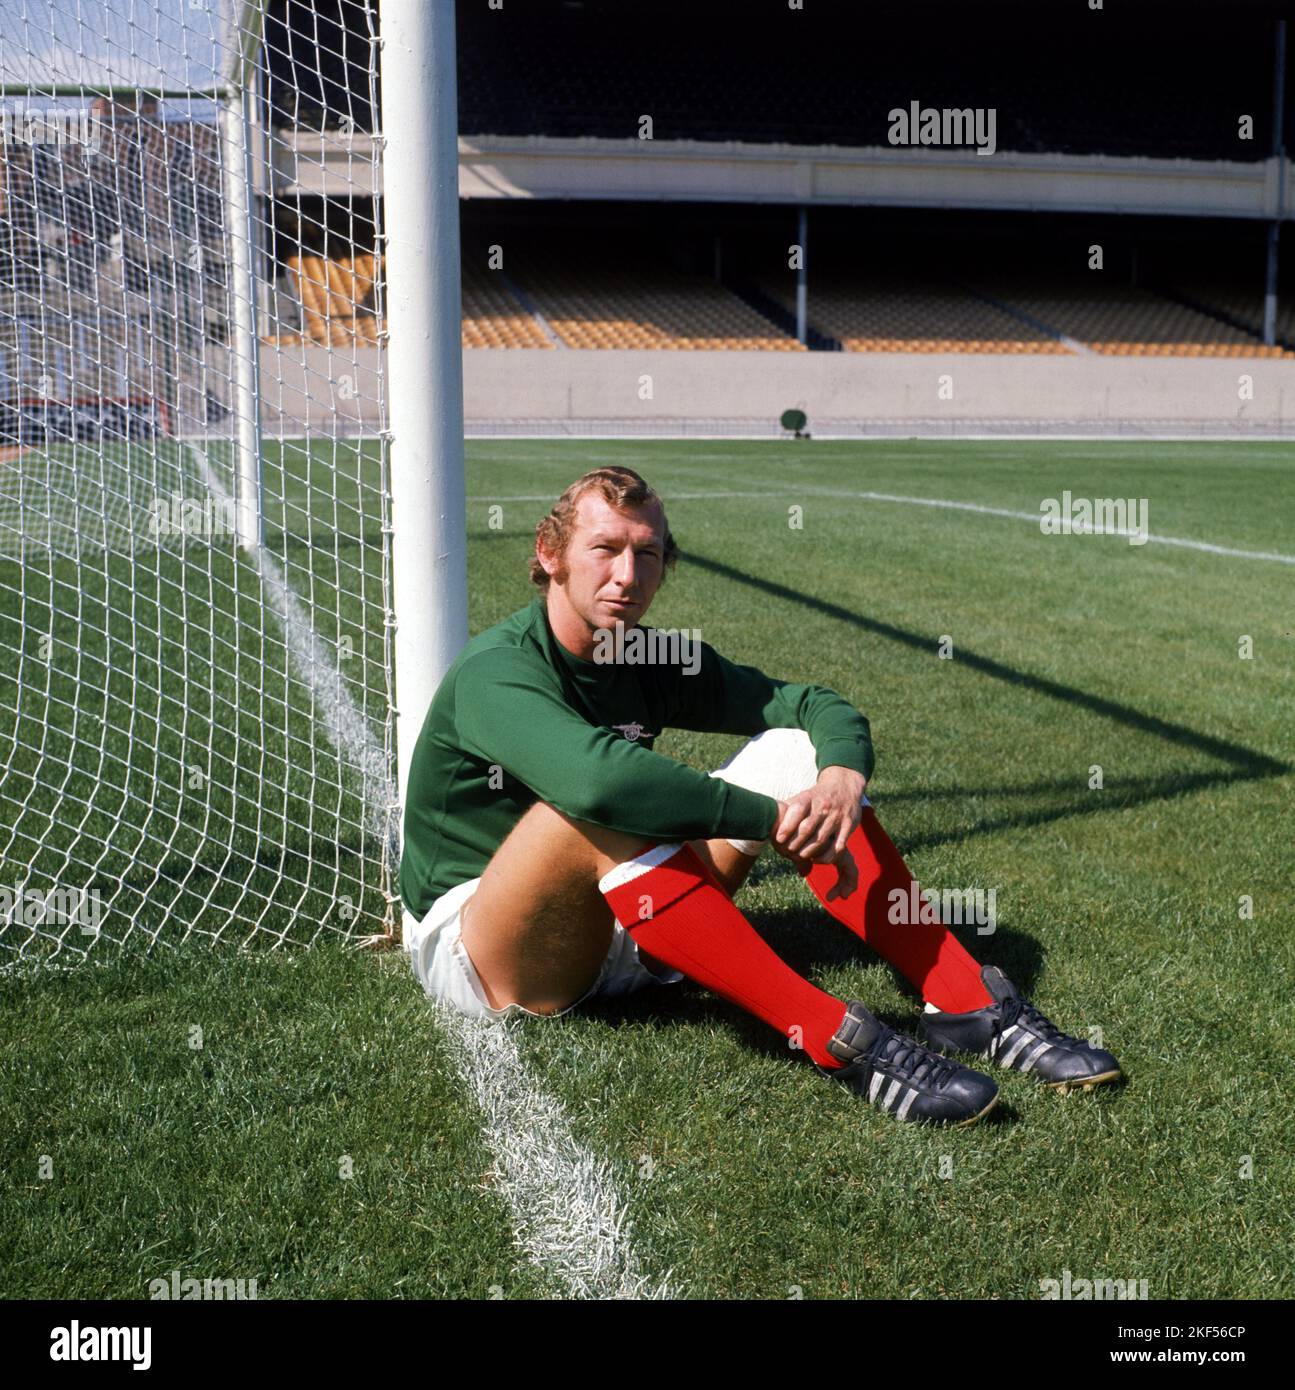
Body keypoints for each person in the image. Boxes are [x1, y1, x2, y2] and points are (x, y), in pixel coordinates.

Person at [401, 466, 1121, 1126]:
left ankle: (962, 1000)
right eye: (603, 549)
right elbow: (602, 783)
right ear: (549, 553)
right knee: (591, 805)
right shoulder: (497, 670)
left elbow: (808, 704)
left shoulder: (649, 655)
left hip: (622, 922)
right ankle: (838, 1037)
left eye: (646, 554)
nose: (626, 575)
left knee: (793, 751)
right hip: (489, 951)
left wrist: (839, 779)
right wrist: (769, 821)